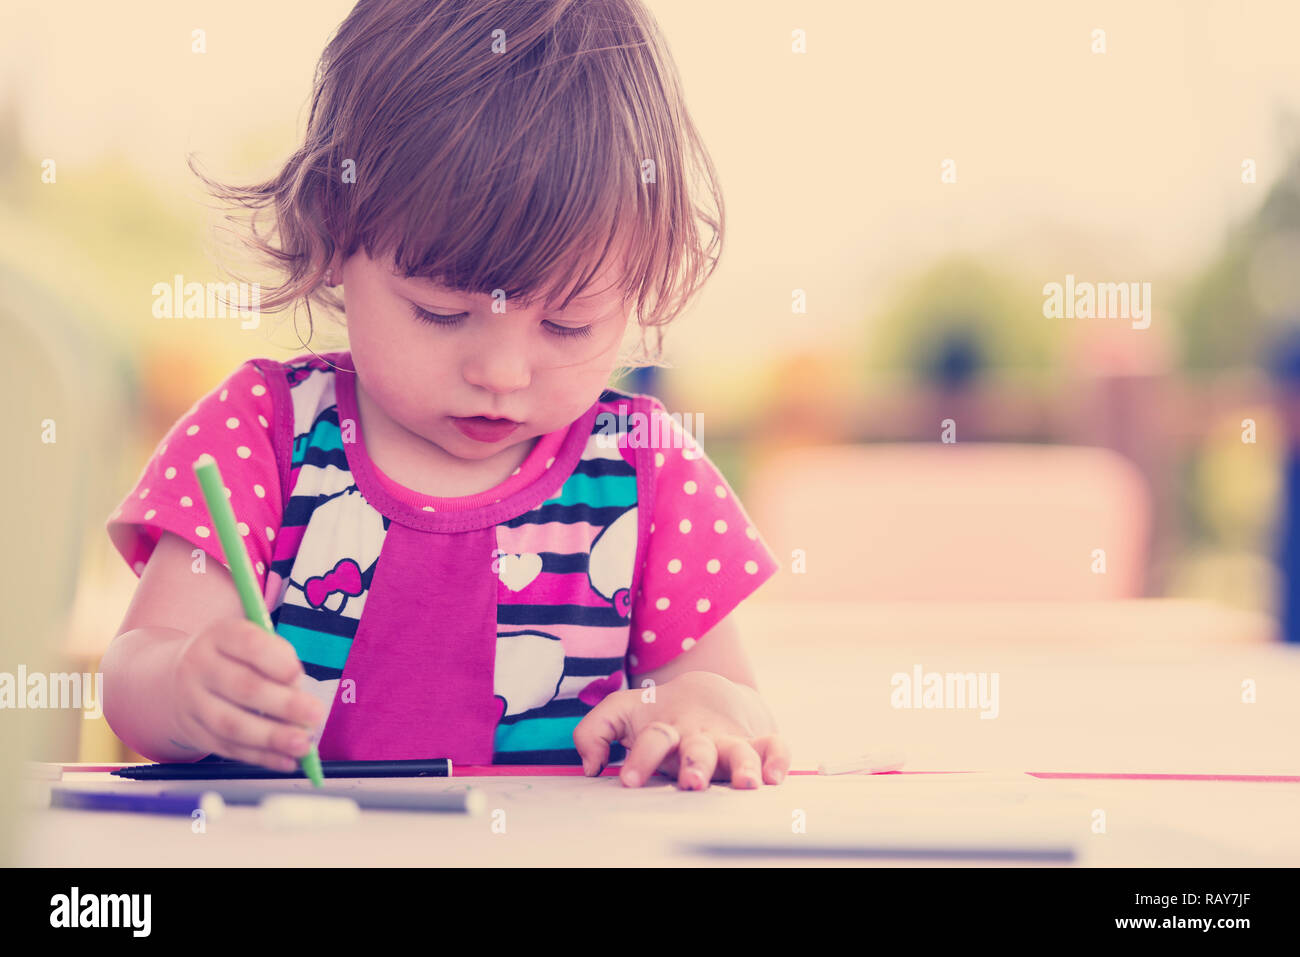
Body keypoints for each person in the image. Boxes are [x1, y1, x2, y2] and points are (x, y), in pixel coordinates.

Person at [101, 0, 788, 790]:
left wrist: (701, 709)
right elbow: (133, 672)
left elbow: (738, 706)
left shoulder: (647, 471)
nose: (501, 373)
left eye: (566, 325)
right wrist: (186, 688)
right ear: (334, 229)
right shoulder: (261, 433)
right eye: (441, 312)